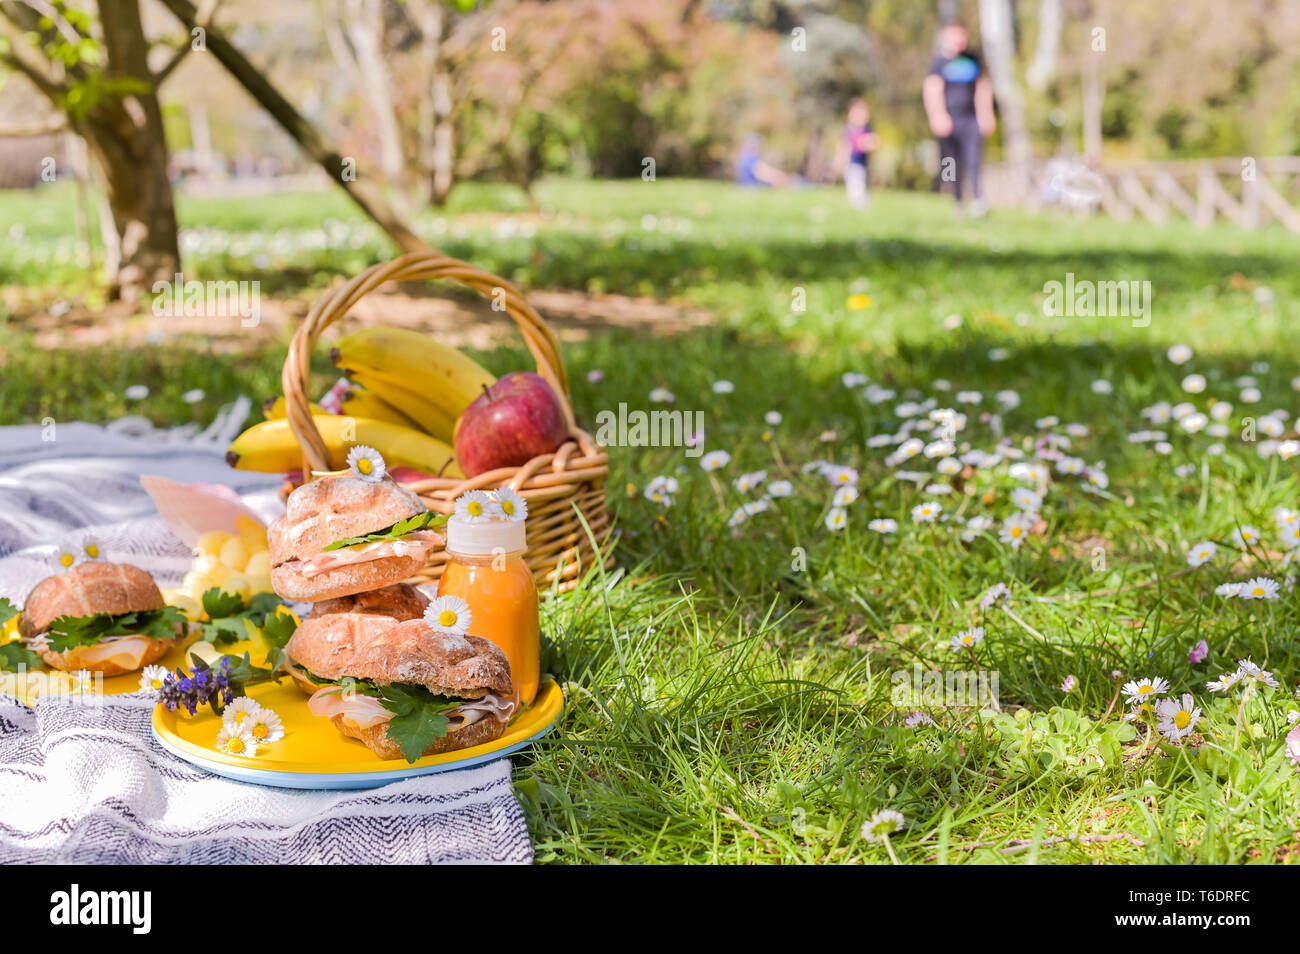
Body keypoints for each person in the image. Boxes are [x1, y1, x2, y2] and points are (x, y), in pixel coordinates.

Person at [923, 22, 996, 216]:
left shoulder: (973, 59)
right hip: (949, 120)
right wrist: (937, 116)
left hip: (971, 119)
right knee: (950, 163)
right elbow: (932, 89)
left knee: (974, 159)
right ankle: (956, 200)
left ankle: (978, 199)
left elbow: (983, 87)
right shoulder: (939, 62)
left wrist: (986, 113)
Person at [834, 99, 880, 209]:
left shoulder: (868, 129)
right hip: (852, 164)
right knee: (855, 184)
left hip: (863, 164)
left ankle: (861, 204)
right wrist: (840, 161)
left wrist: (869, 143)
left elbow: (874, 141)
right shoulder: (847, 130)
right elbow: (842, 146)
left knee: (863, 185)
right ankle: (858, 205)